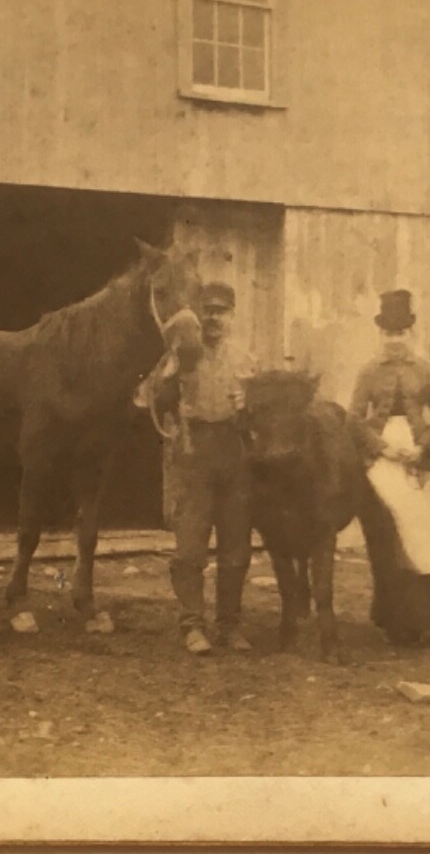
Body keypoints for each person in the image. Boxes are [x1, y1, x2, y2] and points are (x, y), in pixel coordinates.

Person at [136, 281, 258, 656]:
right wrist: (167, 380)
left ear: (233, 315)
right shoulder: (181, 355)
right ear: (198, 315)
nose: (214, 318)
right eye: (208, 310)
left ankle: (229, 626)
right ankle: (192, 624)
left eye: (221, 311)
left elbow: (262, 416)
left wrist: (248, 402)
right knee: (190, 548)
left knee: (236, 547)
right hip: (193, 453)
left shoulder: (246, 359)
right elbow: (145, 399)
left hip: (233, 452)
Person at [348, 289, 430, 645]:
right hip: (383, 456)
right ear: (381, 335)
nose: (395, 341)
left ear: (409, 335)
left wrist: (424, 447)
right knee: (395, 527)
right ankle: (397, 619)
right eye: (389, 334)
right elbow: (354, 418)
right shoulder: (369, 371)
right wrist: (382, 448)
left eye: (400, 334)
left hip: (419, 454)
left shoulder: (424, 371)